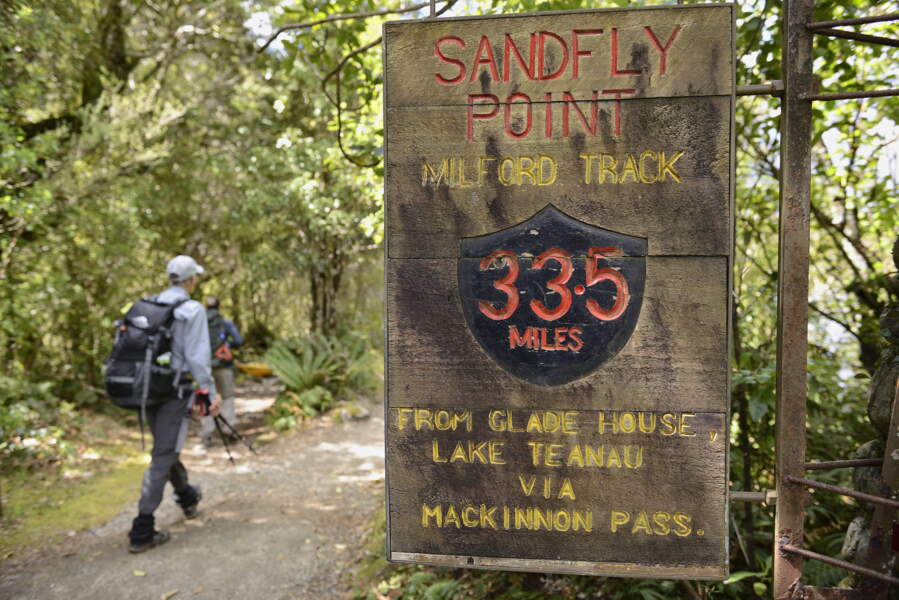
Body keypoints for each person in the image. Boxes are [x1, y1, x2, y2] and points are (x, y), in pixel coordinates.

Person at [127, 255, 221, 553]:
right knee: (164, 452)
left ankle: (187, 496)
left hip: (147, 388)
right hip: (173, 391)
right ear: (191, 280)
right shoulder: (191, 310)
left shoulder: (151, 305)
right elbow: (196, 357)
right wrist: (208, 392)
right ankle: (142, 529)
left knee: (166, 447)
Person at [201, 296, 243, 448]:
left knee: (206, 398)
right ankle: (229, 430)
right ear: (219, 307)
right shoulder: (225, 323)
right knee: (227, 397)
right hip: (224, 365)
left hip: (205, 367)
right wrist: (227, 345)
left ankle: (207, 435)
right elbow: (239, 341)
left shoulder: (199, 324)